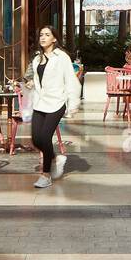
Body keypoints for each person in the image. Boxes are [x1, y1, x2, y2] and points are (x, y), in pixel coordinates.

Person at [28, 25, 82, 189]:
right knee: (36, 139)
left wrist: (73, 104)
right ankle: (55, 159)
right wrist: (32, 83)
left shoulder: (62, 57)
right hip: (40, 102)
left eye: (47, 35)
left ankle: (45, 175)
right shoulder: (37, 58)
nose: (43, 37)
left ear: (55, 38)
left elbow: (71, 81)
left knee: (45, 137)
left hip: (57, 102)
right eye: (41, 35)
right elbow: (37, 79)